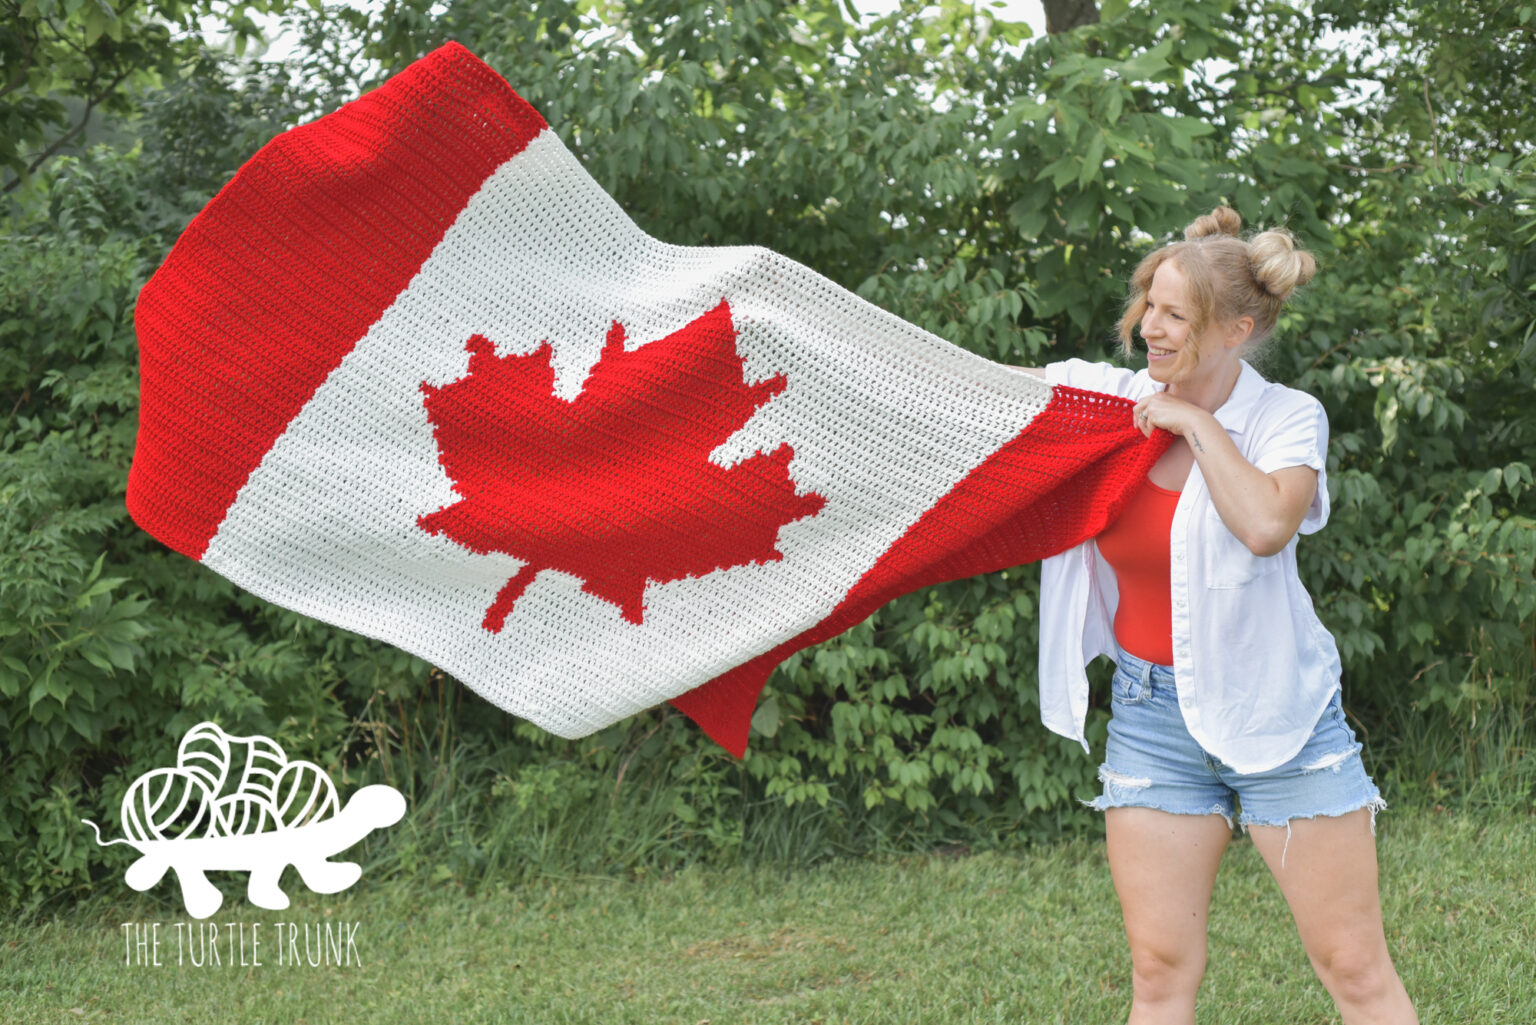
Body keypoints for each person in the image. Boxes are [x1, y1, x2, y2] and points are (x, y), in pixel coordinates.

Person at [1016, 206, 1418, 1025]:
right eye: (1148, 305)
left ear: (1237, 328)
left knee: (1353, 965)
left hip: (1280, 715)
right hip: (1149, 715)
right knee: (1159, 972)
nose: (1149, 330)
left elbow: (1267, 525)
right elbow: (975, 402)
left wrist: (1196, 423)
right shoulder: (1105, 404)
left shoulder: (1285, 418)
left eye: (1175, 314)